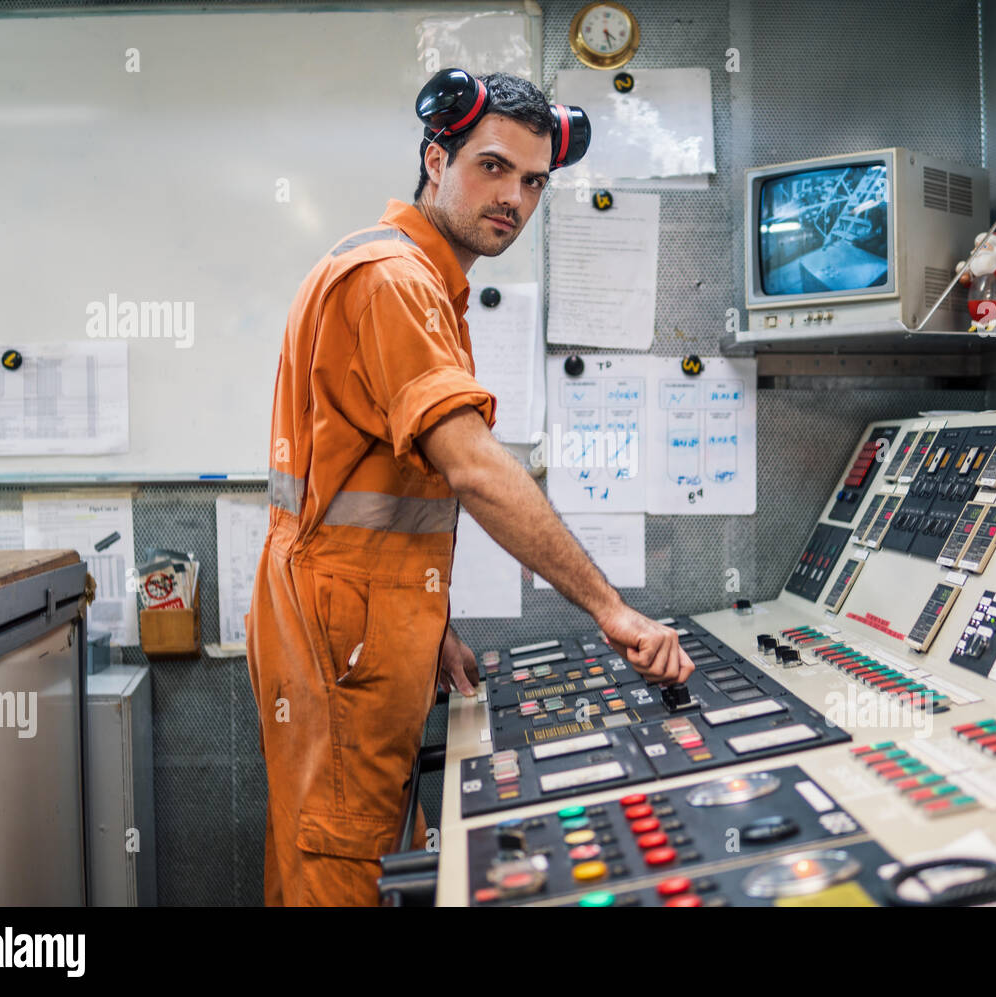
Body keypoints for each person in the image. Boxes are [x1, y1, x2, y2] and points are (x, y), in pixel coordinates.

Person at [245, 69, 695, 907]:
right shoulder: (395, 281)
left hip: (358, 612)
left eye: (532, 182)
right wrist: (611, 609)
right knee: (344, 860)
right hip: (342, 623)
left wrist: (433, 624)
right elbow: (473, 465)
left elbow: (371, 481)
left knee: (342, 833)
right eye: (492, 168)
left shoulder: (416, 278)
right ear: (435, 159)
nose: (514, 199)